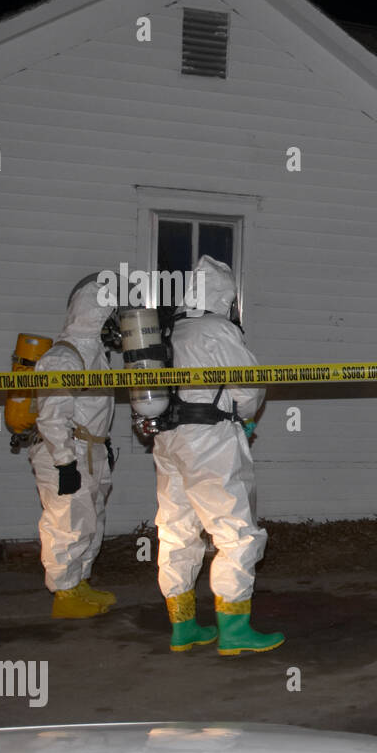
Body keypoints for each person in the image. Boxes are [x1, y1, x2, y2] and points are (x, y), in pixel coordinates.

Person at [152, 255, 281, 655]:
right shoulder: (217, 329)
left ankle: (183, 627)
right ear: (225, 295)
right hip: (209, 439)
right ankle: (234, 629)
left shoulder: (171, 329)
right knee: (236, 532)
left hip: (169, 438)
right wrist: (244, 420)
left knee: (176, 530)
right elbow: (250, 387)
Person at [30, 273, 119, 619]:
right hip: (65, 451)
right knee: (67, 522)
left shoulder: (94, 353)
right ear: (96, 313)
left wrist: (101, 446)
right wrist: (65, 463)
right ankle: (64, 594)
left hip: (89, 450)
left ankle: (79, 582)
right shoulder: (64, 357)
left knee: (89, 519)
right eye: (110, 313)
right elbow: (52, 417)